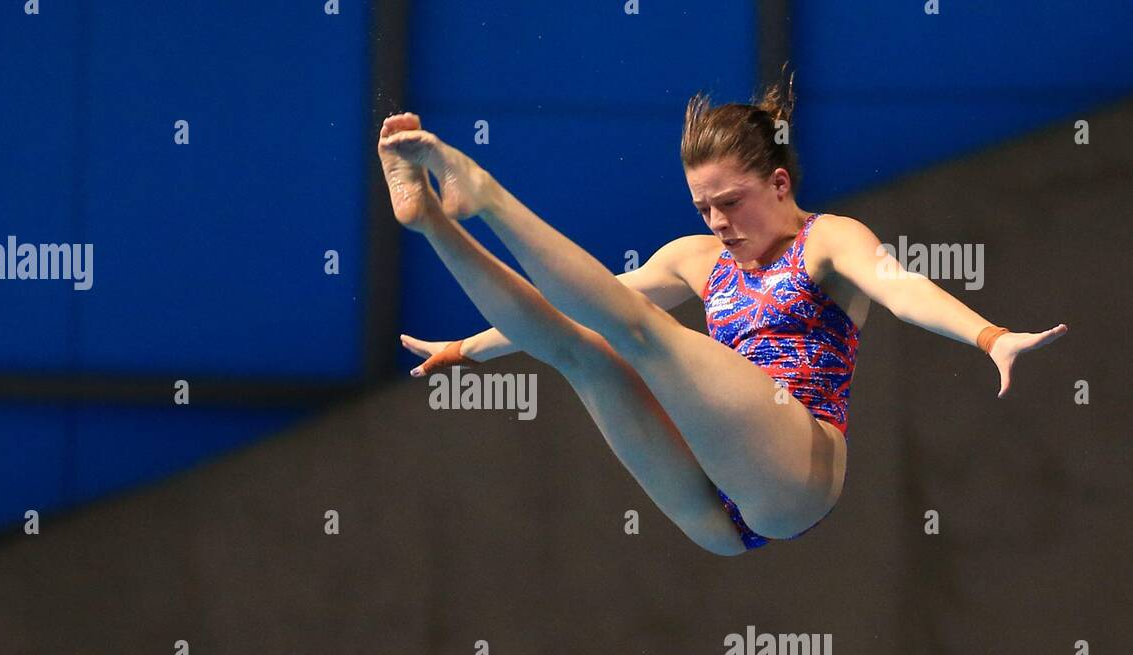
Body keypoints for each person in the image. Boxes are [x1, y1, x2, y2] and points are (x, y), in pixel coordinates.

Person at [379, 79, 1067, 556]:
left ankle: (488, 195)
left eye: (731, 202)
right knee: (580, 352)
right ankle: (434, 222)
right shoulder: (696, 258)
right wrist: (472, 347)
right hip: (716, 518)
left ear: (779, 183)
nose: (718, 221)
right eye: (703, 206)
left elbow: (899, 287)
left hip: (797, 474)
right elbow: (577, 300)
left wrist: (990, 336)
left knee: (642, 335)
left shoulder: (827, 241)